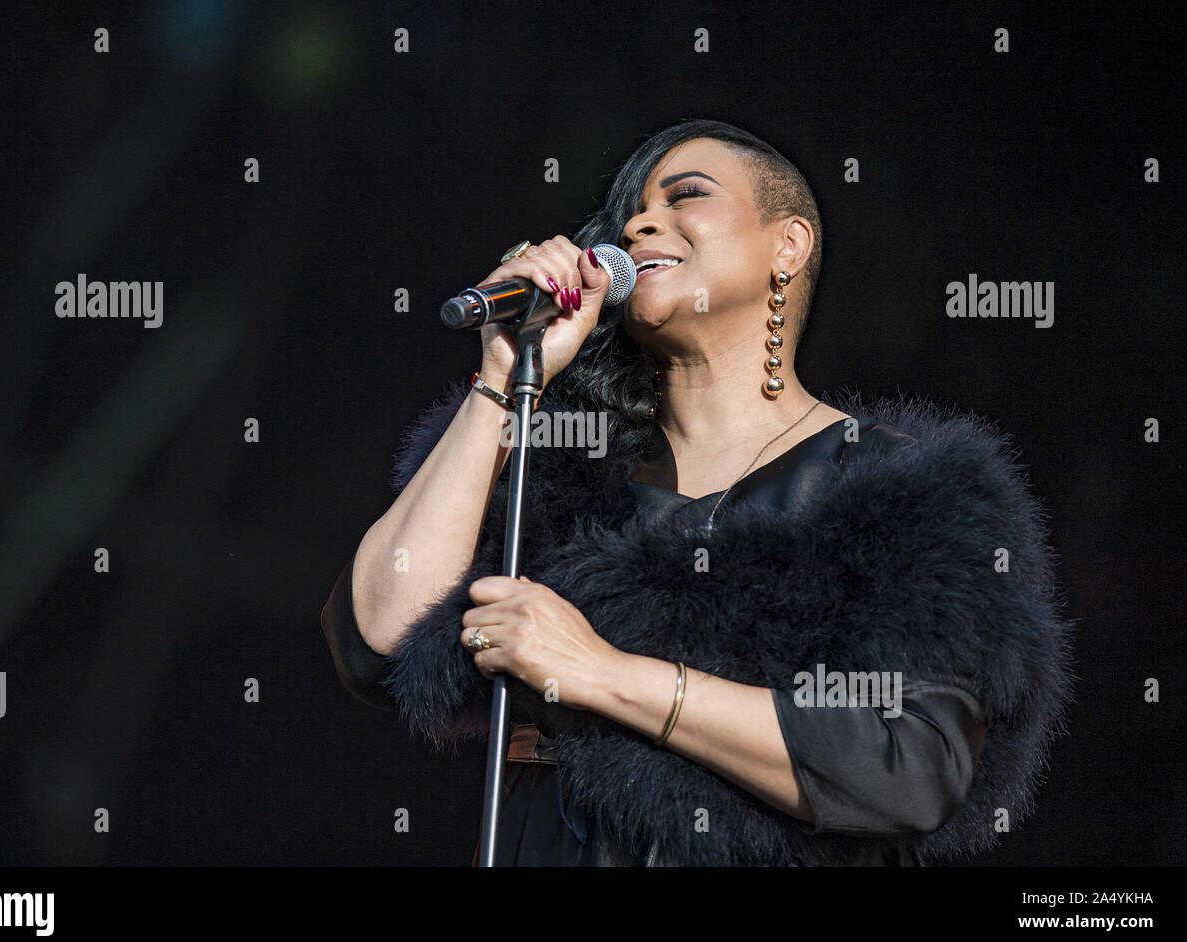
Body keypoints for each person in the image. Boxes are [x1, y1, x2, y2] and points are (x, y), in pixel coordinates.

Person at [321, 119, 1075, 866]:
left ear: (789, 245)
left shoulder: (903, 488)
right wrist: (502, 375)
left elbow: (908, 767)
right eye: (630, 215)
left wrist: (602, 673)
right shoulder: (558, 477)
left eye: (685, 196)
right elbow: (379, 640)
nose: (639, 224)